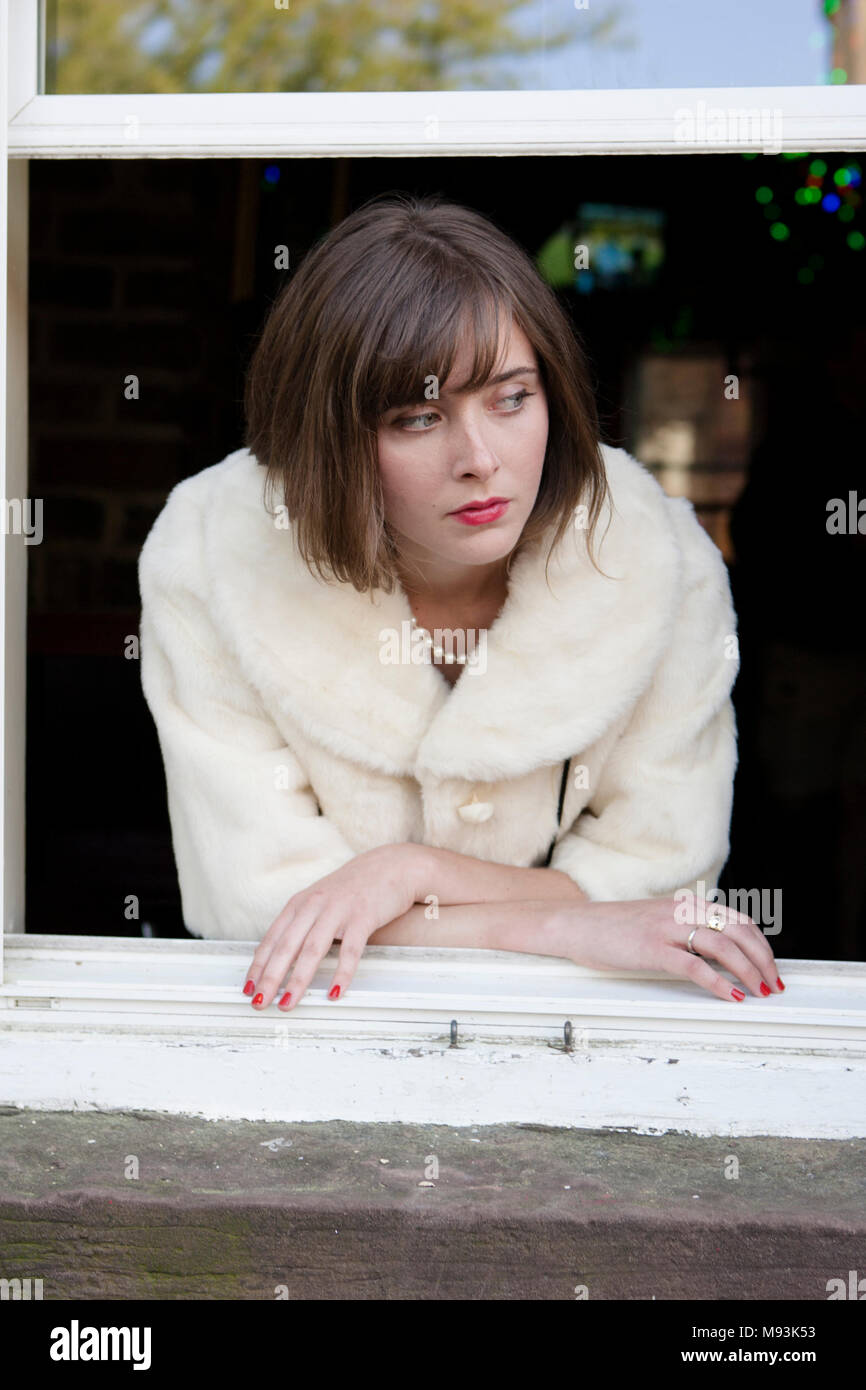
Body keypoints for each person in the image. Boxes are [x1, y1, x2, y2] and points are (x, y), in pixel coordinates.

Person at [137, 192, 783, 1015]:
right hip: (314, 1044)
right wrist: (564, 924)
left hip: (588, 1036)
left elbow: (664, 880)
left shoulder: (660, 557)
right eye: (418, 417)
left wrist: (409, 876)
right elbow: (265, 911)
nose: (481, 459)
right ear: (329, 435)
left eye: (513, 398)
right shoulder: (211, 550)